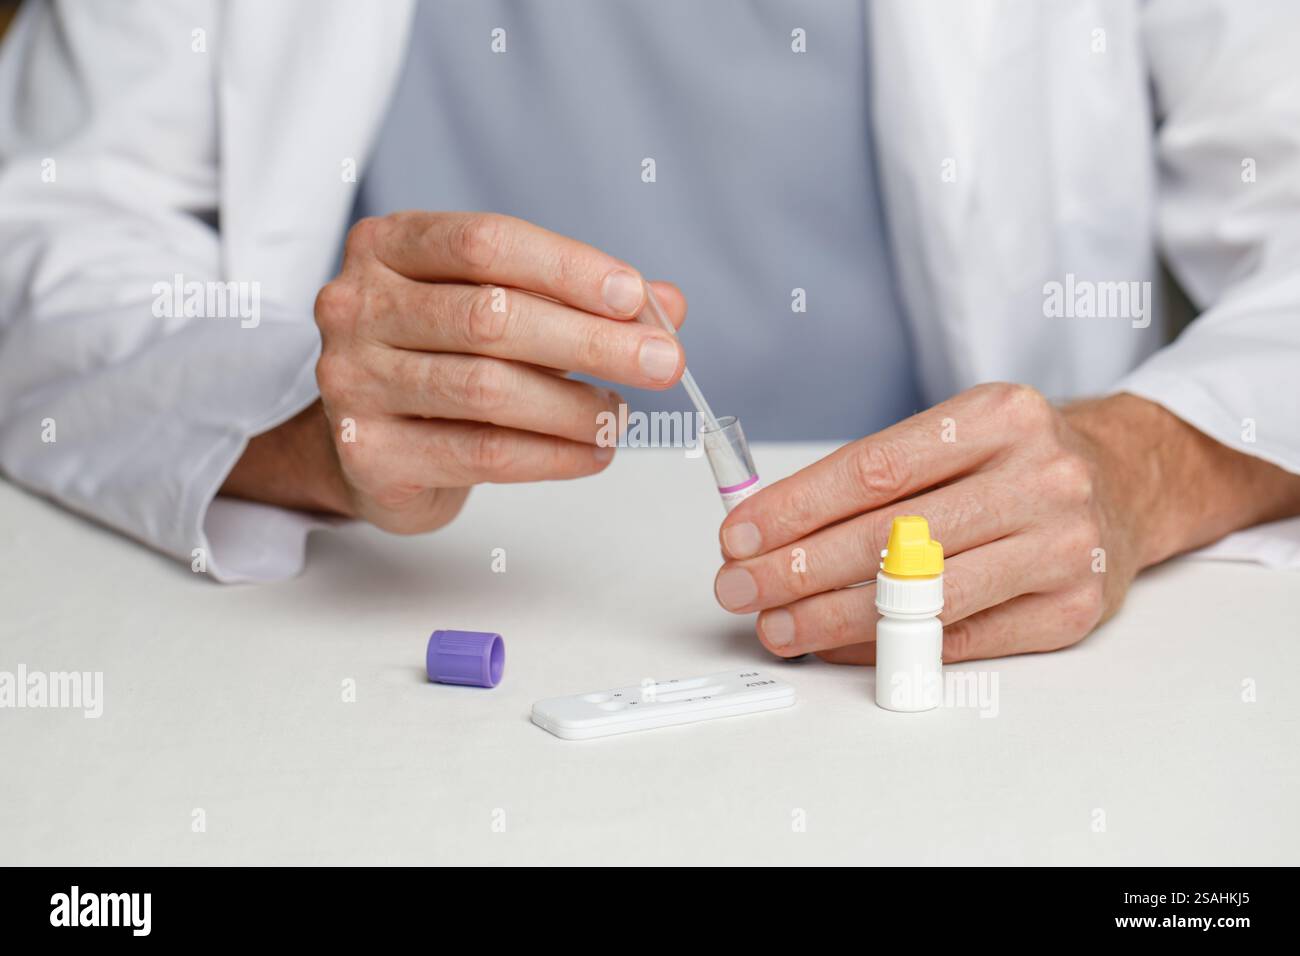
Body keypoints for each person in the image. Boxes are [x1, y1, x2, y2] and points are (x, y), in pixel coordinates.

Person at [2, 1, 1298, 665]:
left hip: (945, 677)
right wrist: (301, 420)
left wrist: (1140, 468)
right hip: (375, 645)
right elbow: (47, 228)